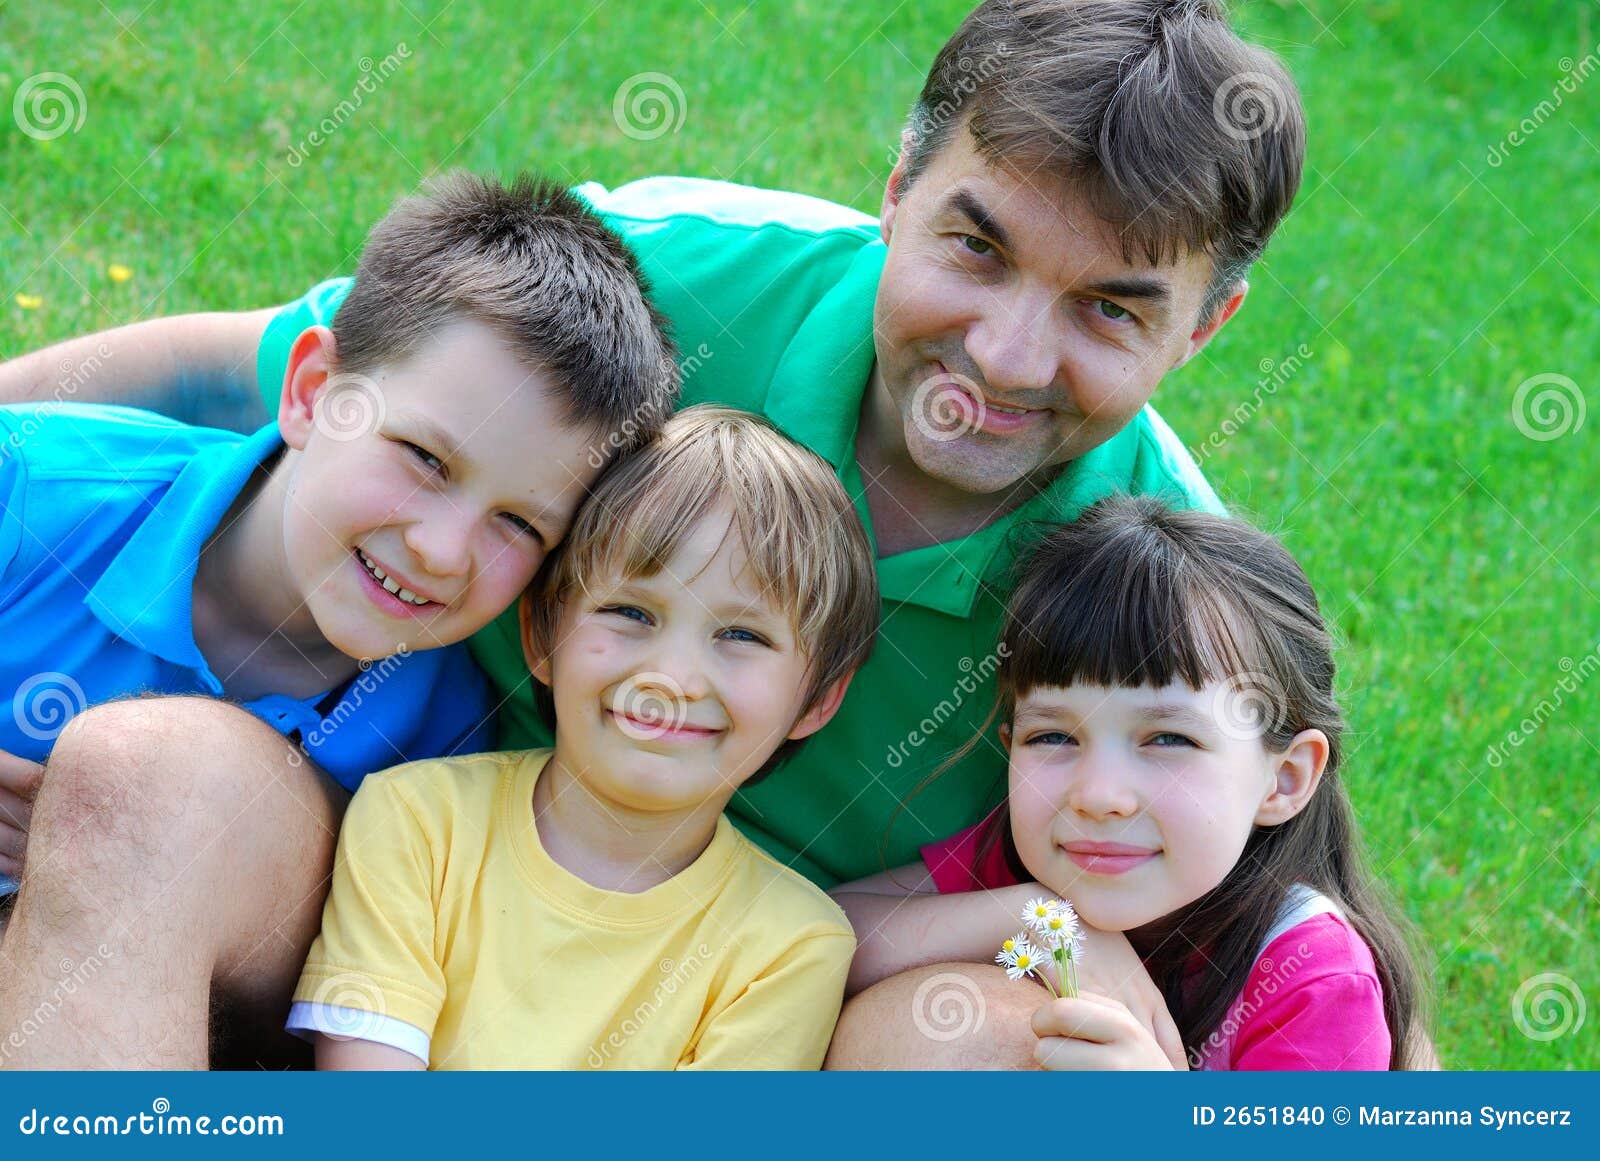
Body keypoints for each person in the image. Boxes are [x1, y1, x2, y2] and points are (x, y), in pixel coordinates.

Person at [0, 0, 1309, 1067]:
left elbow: (1291, 921)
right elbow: (260, 373)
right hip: (378, 887)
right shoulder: (671, 280)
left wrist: (1054, 939)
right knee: (150, 785)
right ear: (899, 188)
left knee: (1027, 1045)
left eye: (1111, 313)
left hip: (765, 1010)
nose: (1009, 353)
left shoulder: (1165, 575)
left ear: (1204, 329)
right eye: (976, 248)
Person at [0, 172, 677, 1067]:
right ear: (313, 392)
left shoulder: (459, 742)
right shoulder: (34, 494)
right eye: (425, 457)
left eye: (519, 523)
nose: (442, 548)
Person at [286, 407, 877, 1069]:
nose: (672, 679)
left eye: (742, 635)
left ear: (819, 697)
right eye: (630, 612)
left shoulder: (792, 945)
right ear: (542, 636)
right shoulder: (417, 823)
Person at [828, 497, 1428, 1070]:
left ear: (1284, 779)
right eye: (1054, 737)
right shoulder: (1027, 870)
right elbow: (821, 936)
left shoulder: (1310, 977)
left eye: (1169, 740)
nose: (1098, 796)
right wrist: (1031, 919)